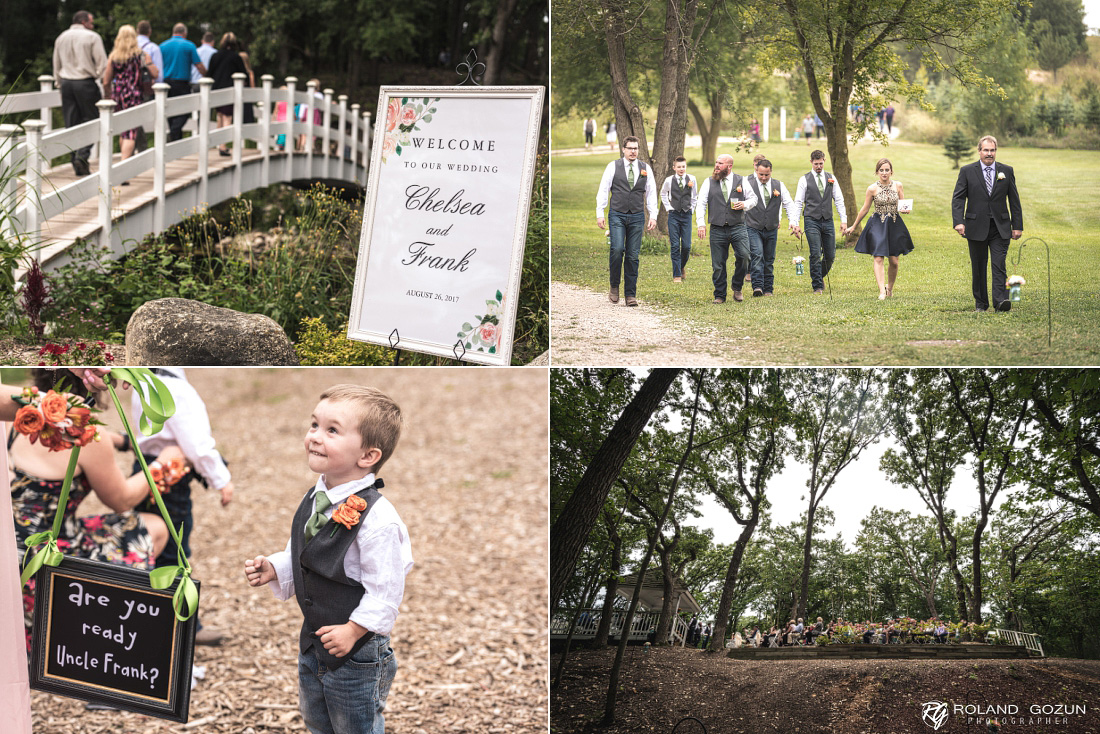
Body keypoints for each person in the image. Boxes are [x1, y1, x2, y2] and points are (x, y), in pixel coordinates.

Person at [245, 385, 413, 734]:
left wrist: (354, 630)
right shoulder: (317, 496)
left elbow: (385, 592)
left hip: (357, 654)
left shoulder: (379, 521)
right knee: (317, 721)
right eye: (314, 425)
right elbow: (308, 554)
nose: (315, 437)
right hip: (313, 642)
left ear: (368, 456)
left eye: (332, 430)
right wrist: (276, 567)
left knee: (355, 726)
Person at [5, 370, 179, 650]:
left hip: (9, 552)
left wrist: (120, 440)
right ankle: (94, 628)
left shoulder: (16, 418)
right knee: (153, 527)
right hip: (45, 562)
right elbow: (122, 499)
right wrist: (165, 463)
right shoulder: (87, 434)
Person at [128, 368, 233, 646]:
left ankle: (149, 621)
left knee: (149, 547)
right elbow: (196, 445)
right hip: (169, 476)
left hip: (143, 468)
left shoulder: (143, 382)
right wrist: (221, 479)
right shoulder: (176, 389)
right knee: (175, 554)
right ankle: (183, 628)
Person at [951, 135, 1023, 312]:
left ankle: (1001, 301)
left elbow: (1014, 200)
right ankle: (981, 304)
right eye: (986, 150)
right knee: (978, 266)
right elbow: (958, 198)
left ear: (996, 151)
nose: (989, 154)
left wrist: (1017, 226)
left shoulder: (1006, 171)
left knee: (999, 265)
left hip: (1000, 227)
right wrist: (959, 222)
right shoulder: (967, 171)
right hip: (975, 226)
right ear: (979, 151)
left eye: (992, 150)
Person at [596, 135, 658, 307]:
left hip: (637, 216)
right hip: (617, 213)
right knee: (617, 249)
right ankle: (614, 285)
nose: (633, 151)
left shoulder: (645, 168)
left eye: (635, 148)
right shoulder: (613, 166)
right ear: (623, 149)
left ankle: (630, 294)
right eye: (630, 148)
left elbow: (651, 192)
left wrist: (653, 215)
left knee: (632, 255)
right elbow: (603, 189)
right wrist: (600, 212)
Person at [695, 153, 757, 304]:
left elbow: (754, 198)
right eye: (716, 162)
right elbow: (701, 203)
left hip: (738, 226)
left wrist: (745, 204)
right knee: (718, 264)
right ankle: (719, 295)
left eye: (720, 163)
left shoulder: (741, 180)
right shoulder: (708, 182)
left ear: (729, 166)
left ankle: (737, 286)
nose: (716, 166)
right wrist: (701, 223)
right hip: (717, 228)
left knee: (745, 257)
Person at [850, 158, 914, 299]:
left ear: (891, 171)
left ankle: (889, 288)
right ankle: (881, 291)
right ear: (877, 172)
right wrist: (854, 226)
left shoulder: (898, 185)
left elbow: (902, 205)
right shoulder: (872, 189)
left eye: (887, 170)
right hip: (878, 224)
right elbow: (865, 209)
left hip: (894, 224)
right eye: (881, 170)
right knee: (878, 257)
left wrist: (905, 209)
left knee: (894, 261)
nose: (884, 173)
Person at [52, 10, 107, 176]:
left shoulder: (61, 37)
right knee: (94, 120)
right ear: (84, 22)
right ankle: (82, 156)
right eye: (91, 22)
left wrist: (59, 83)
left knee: (71, 123)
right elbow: (102, 64)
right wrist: (102, 80)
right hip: (85, 82)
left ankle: (75, 161)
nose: (92, 25)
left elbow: (56, 63)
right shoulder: (92, 37)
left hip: (67, 83)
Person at [793, 150, 848, 295]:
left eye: (821, 163)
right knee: (816, 253)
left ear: (824, 161)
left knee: (830, 255)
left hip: (828, 220)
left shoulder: (831, 178)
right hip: (811, 220)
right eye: (816, 164)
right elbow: (798, 202)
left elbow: (839, 200)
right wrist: (795, 223)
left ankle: (819, 274)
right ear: (811, 162)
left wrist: (844, 220)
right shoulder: (804, 180)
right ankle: (817, 285)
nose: (818, 166)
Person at [103, 25, 157, 170]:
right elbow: (155, 73)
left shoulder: (114, 57)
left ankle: (124, 162)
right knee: (131, 132)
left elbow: (106, 81)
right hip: (134, 95)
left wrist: (108, 95)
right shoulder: (141, 55)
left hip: (118, 96)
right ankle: (123, 167)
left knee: (123, 129)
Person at [746, 158, 799, 297]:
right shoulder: (747, 184)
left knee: (769, 259)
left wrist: (793, 222)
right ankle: (757, 286)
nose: (763, 178)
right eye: (761, 174)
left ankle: (768, 288)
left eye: (767, 175)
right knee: (757, 255)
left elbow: (789, 204)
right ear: (756, 171)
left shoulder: (779, 185)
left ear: (771, 172)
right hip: (753, 226)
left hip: (771, 227)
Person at [160, 22, 206, 141]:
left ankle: (174, 138)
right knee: (185, 110)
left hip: (166, 83)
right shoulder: (189, 45)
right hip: (182, 83)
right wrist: (207, 76)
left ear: (173, 32)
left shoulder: (163, 46)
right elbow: (199, 66)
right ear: (184, 33)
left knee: (170, 111)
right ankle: (174, 132)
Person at [207, 32, 248, 156]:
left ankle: (220, 144)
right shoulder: (236, 57)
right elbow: (244, 74)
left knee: (220, 116)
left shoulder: (215, 56)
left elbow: (209, 73)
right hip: (229, 90)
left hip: (216, 90)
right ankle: (223, 146)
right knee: (227, 117)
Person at [660, 155, 698, 283]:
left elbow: (694, 196)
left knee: (686, 246)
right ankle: (676, 274)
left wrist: (692, 209)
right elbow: (663, 194)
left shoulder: (692, 179)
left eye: (683, 166)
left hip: (687, 215)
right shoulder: (669, 180)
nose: (681, 169)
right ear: (674, 168)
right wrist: (668, 207)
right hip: (674, 215)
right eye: (679, 167)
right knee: (675, 245)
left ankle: (681, 266)